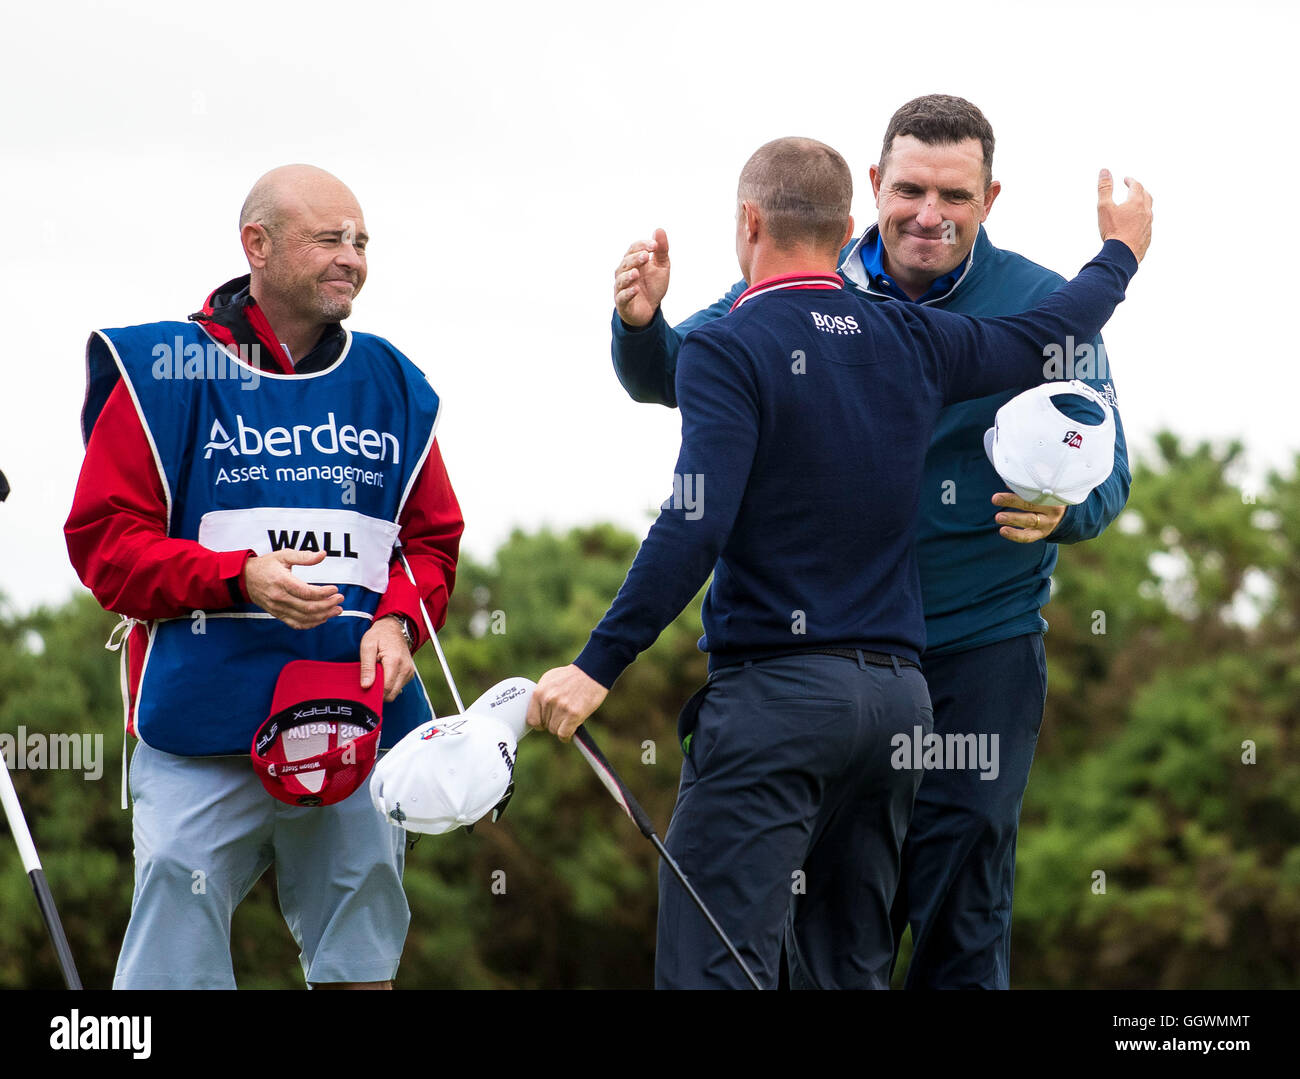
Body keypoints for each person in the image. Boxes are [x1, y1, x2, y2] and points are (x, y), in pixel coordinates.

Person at [528, 136, 1152, 988]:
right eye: (912, 190)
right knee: (838, 946)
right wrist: (1120, 253)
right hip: (891, 693)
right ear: (861, 207)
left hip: (887, 672)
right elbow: (1056, 325)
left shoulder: (752, 333)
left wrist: (599, 662)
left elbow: (693, 518)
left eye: (954, 195)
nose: (930, 213)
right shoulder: (903, 332)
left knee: (790, 944)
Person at [64, 164, 463, 990]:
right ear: (258, 245)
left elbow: (431, 539)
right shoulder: (159, 366)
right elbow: (104, 543)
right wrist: (237, 576)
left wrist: (398, 620)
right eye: (330, 238)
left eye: (360, 241)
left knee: (363, 954)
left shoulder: (392, 380)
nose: (351, 256)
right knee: (174, 957)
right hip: (198, 724)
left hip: (355, 721)